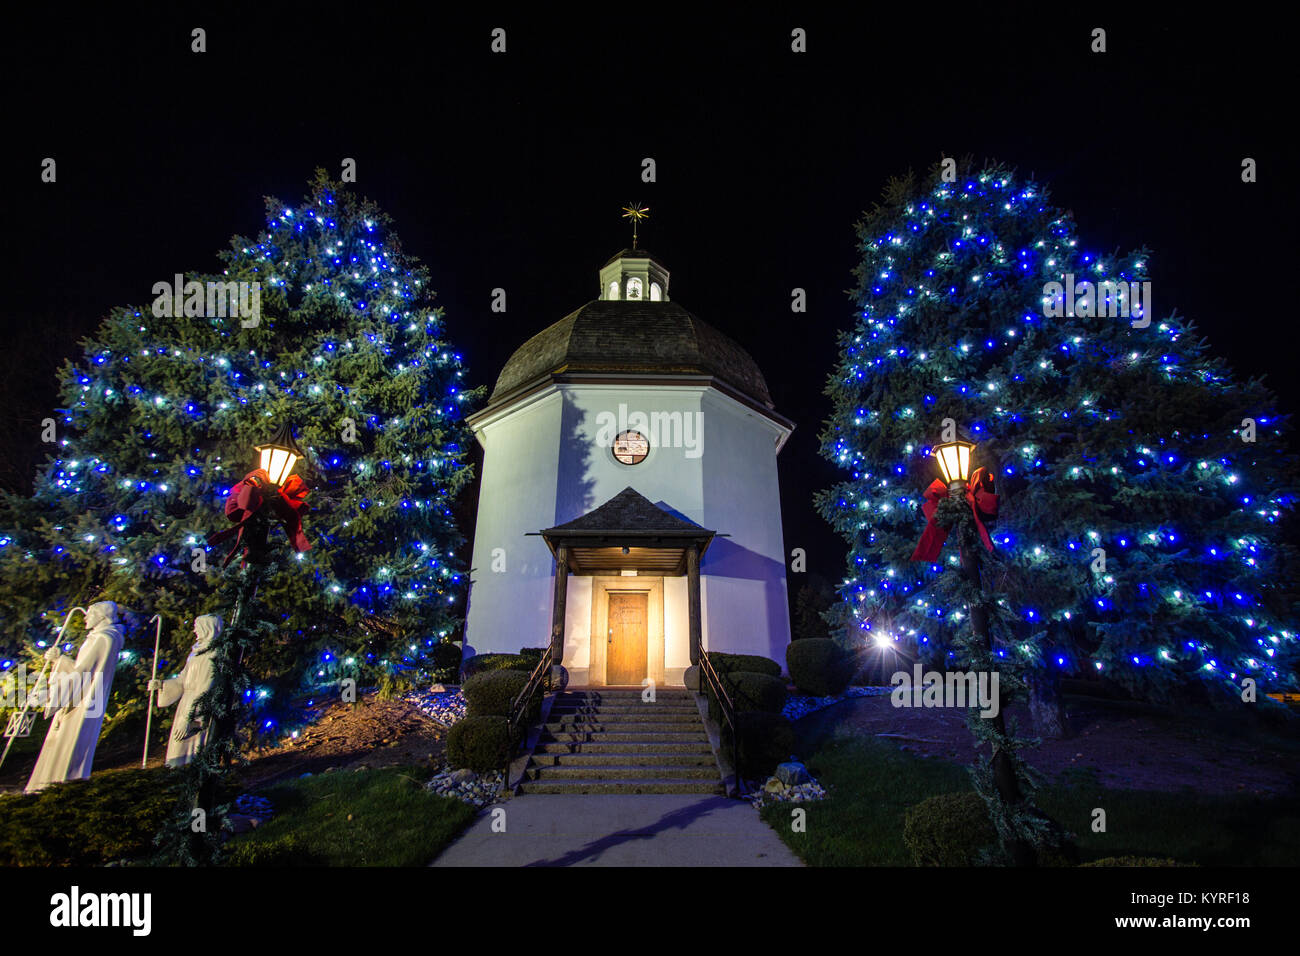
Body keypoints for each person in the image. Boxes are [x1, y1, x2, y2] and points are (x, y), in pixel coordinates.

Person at [25, 600, 125, 793]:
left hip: (82, 701)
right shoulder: (105, 637)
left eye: (90, 613)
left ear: (103, 616)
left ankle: (55, 787)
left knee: (68, 743)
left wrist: (52, 687)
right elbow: (85, 671)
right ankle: (50, 784)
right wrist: (60, 660)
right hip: (83, 697)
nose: (86, 617)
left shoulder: (103, 639)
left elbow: (84, 674)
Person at [149, 614, 220, 767]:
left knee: (188, 749)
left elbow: (204, 690)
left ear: (207, 629)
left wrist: (189, 718)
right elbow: (182, 680)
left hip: (194, 709)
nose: (194, 630)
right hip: (186, 703)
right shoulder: (195, 653)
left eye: (197, 627)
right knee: (176, 749)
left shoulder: (212, 655)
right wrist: (161, 684)